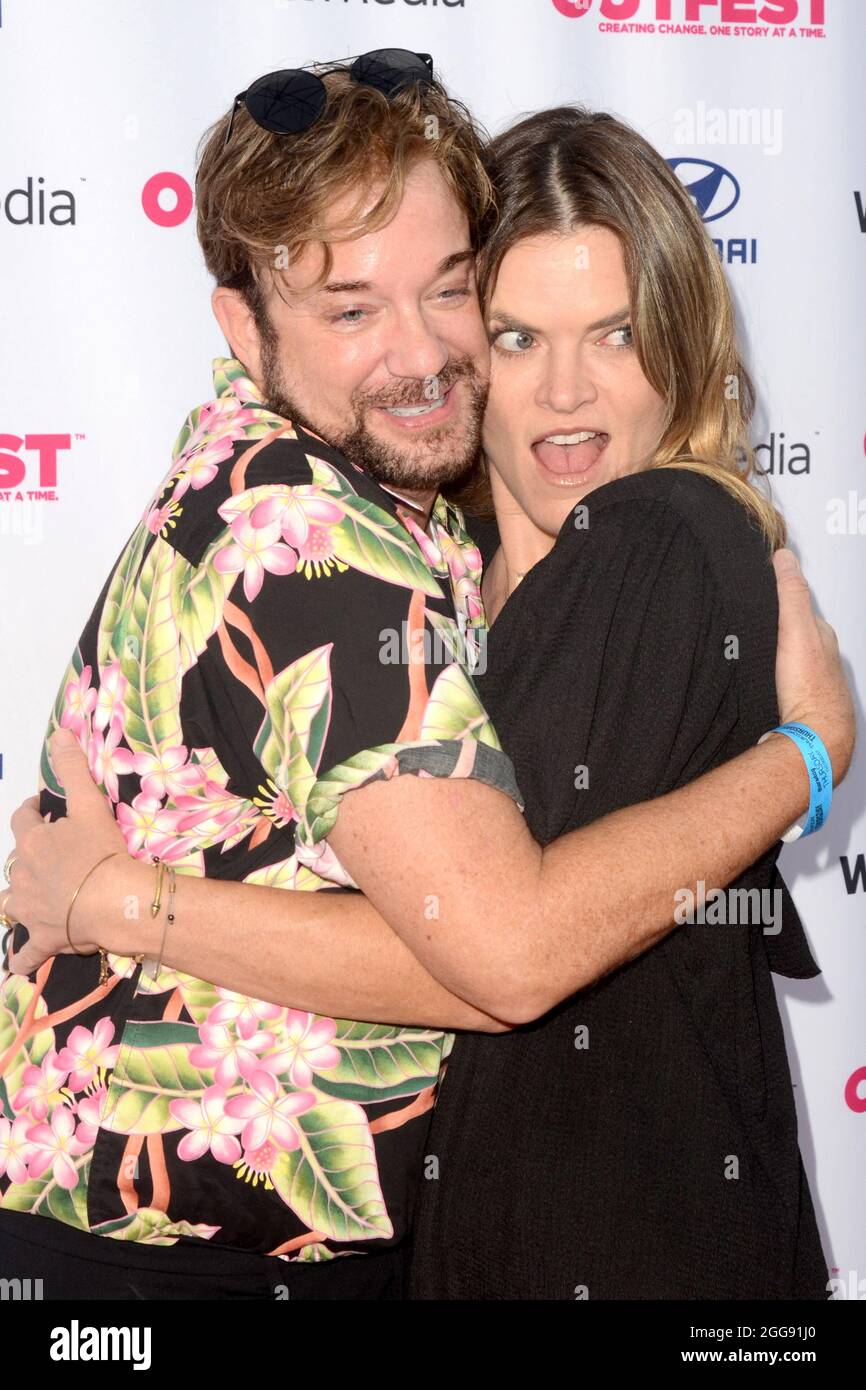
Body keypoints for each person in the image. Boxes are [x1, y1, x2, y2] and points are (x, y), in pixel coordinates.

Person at [0, 58, 852, 1302]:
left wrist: (117, 902)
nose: (420, 354)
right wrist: (805, 758)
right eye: (514, 332)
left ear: (680, 342)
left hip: (610, 1227)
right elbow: (509, 947)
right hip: (170, 1259)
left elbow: (508, 945)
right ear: (246, 329)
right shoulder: (330, 533)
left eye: (448, 294)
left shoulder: (626, 540)